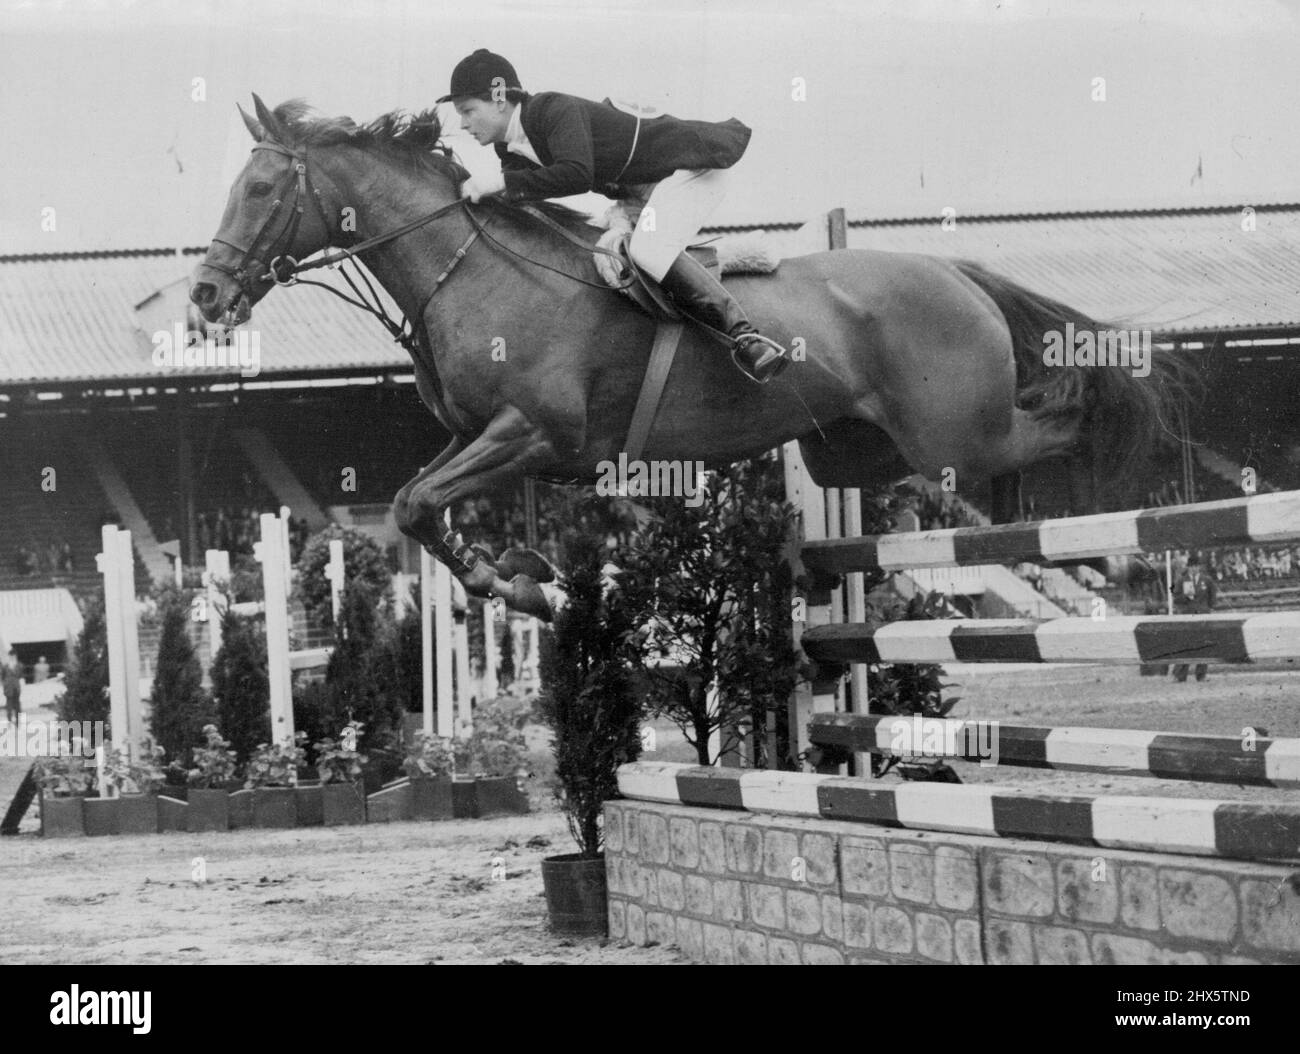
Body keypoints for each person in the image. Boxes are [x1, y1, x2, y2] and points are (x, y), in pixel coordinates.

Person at [438, 48, 789, 384]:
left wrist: (499, 181)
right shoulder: (509, 147)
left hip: (691, 169)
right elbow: (524, 198)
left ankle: (746, 338)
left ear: (499, 98)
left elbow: (577, 173)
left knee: (647, 252)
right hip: (646, 190)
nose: (464, 123)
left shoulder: (550, 108)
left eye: (468, 110)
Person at [1171, 554, 1216, 682]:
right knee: (1185, 644)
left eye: (1196, 566)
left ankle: (1201, 675)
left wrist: (1207, 609)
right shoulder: (1181, 580)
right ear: (1188, 567)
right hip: (1187, 616)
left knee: (1203, 645)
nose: (1194, 569)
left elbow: (1212, 598)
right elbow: (1176, 598)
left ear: (1199, 567)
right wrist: (1186, 597)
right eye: (1192, 566)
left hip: (1202, 616)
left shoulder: (1207, 580)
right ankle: (1180, 675)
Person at [2, 650, 22, 727]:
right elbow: (3, 677)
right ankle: (9, 721)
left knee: (17, 706)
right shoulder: (5, 666)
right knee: (9, 706)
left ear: (15, 657)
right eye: (11, 656)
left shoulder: (19, 665)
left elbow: (20, 675)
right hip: (8, 688)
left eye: (13, 656)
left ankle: (18, 722)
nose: (12, 658)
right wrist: (5, 685)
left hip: (16, 687)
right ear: (9, 657)